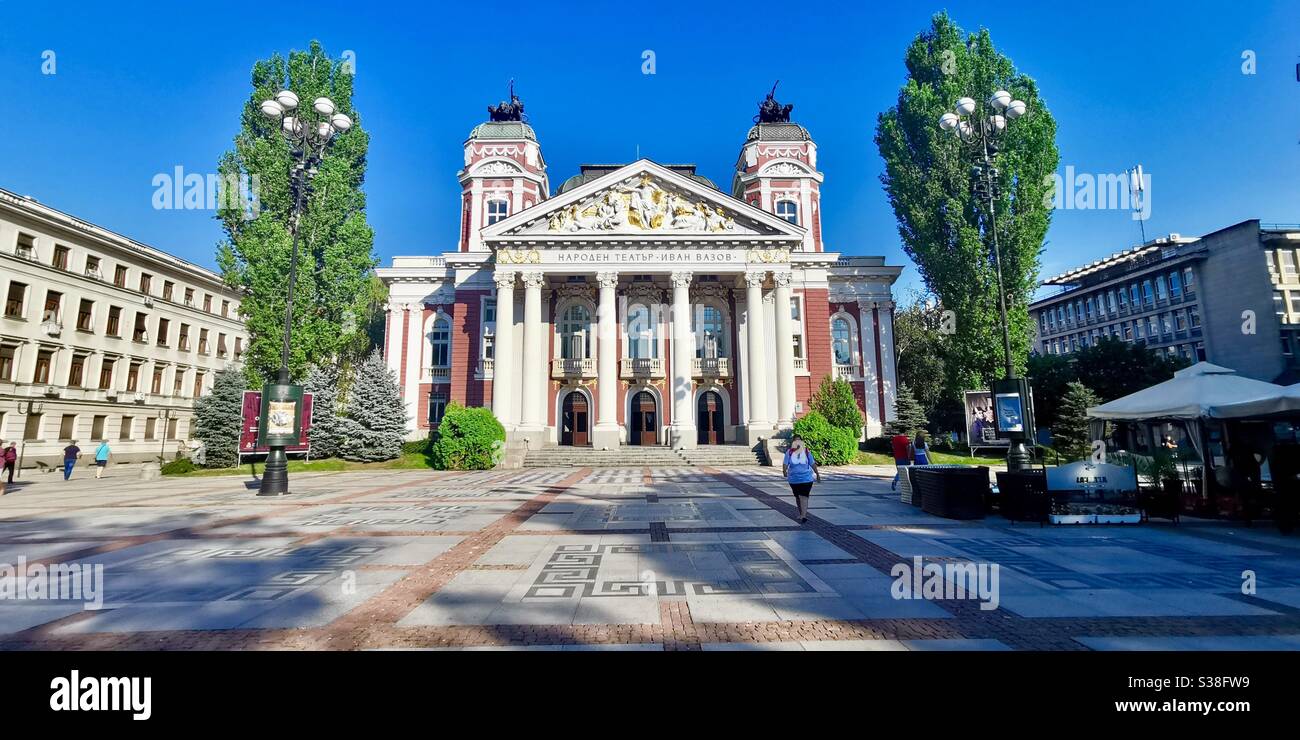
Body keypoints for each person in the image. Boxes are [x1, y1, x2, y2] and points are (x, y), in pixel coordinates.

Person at [782, 434, 821, 523]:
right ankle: (801, 513)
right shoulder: (789, 452)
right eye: (795, 440)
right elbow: (785, 463)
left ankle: (803, 515)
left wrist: (817, 473)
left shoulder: (807, 451)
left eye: (799, 440)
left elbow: (812, 463)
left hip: (806, 478)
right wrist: (784, 471)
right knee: (798, 497)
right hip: (794, 479)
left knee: (804, 496)